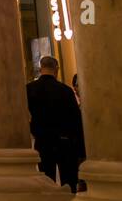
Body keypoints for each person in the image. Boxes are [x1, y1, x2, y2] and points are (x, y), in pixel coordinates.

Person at [26, 56, 85, 193]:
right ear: (56, 69)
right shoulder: (65, 90)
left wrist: (34, 129)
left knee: (47, 183)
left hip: (42, 142)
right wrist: (79, 148)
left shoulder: (29, 89)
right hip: (64, 142)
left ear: (40, 69)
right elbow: (76, 121)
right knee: (69, 183)